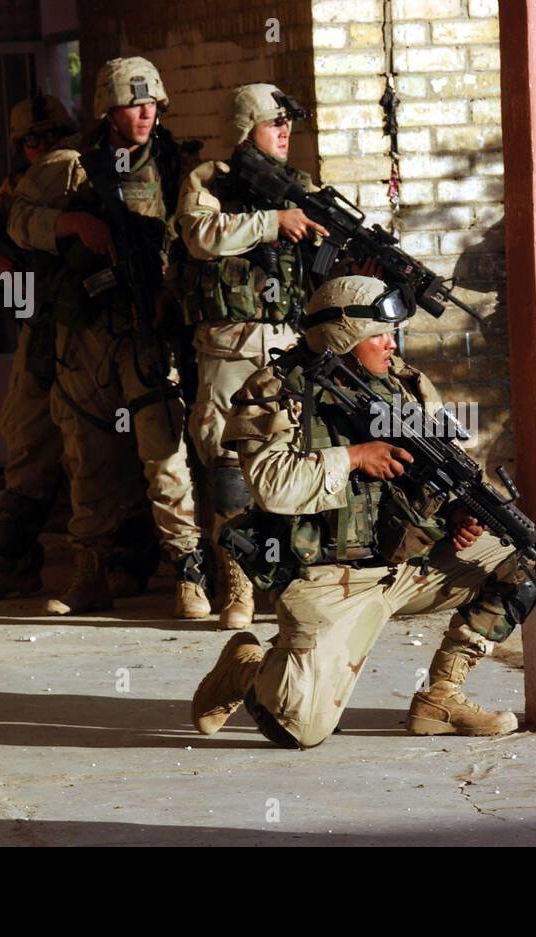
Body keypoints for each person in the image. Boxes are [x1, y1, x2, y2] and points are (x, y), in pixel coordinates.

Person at [189, 276, 536, 748]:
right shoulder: (276, 390)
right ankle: (246, 667)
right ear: (342, 334)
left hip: (407, 565)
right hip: (328, 579)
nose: (391, 344)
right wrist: (353, 457)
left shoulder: (405, 385)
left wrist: (455, 513)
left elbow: (435, 462)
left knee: (525, 553)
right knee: (297, 729)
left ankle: (442, 696)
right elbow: (272, 485)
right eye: (379, 333)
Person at [8, 57, 208, 619]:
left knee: (165, 456)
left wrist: (172, 288)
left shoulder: (178, 166)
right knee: (88, 459)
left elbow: (198, 238)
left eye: (151, 105)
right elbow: (18, 221)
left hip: (148, 334)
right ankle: (89, 573)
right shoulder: (69, 166)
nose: (145, 114)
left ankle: (189, 572)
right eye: (132, 104)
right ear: (108, 109)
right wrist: (72, 225)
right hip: (86, 335)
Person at [0, 94, 159, 603]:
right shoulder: (16, 195)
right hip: (44, 332)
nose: (45, 147)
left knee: (115, 447)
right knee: (27, 441)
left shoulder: (88, 177)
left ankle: (128, 560)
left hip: (97, 329)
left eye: (55, 137)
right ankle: (13, 561)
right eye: (34, 139)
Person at [173, 83, 326, 629]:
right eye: (273, 123)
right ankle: (235, 586)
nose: (285, 132)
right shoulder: (208, 181)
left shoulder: (302, 188)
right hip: (228, 350)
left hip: (286, 349)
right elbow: (200, 237)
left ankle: (290, 582)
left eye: (288, 123)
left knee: (292, 464)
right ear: (245, 129)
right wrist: (270, 222)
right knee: (229, 469)